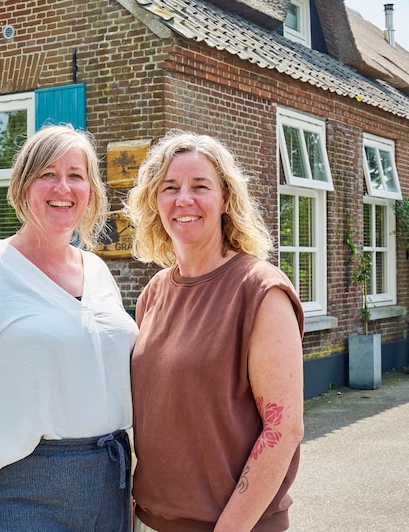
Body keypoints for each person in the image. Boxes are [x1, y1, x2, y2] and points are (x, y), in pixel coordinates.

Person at [0, 124, 138, 532]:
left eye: (76, 175)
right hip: (20, 493)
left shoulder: (100, 273)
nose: (62, 187)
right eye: (47, 174)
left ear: (91, 191)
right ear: (23, 186)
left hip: (110, 486)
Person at [126, 131, 305, 532]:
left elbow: (284, 428)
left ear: (225, 200)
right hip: (150, 521)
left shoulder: (260, 290)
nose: (183, 199)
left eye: (200, 186)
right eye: (169, 187)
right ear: (155, 202)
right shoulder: (154, 293)